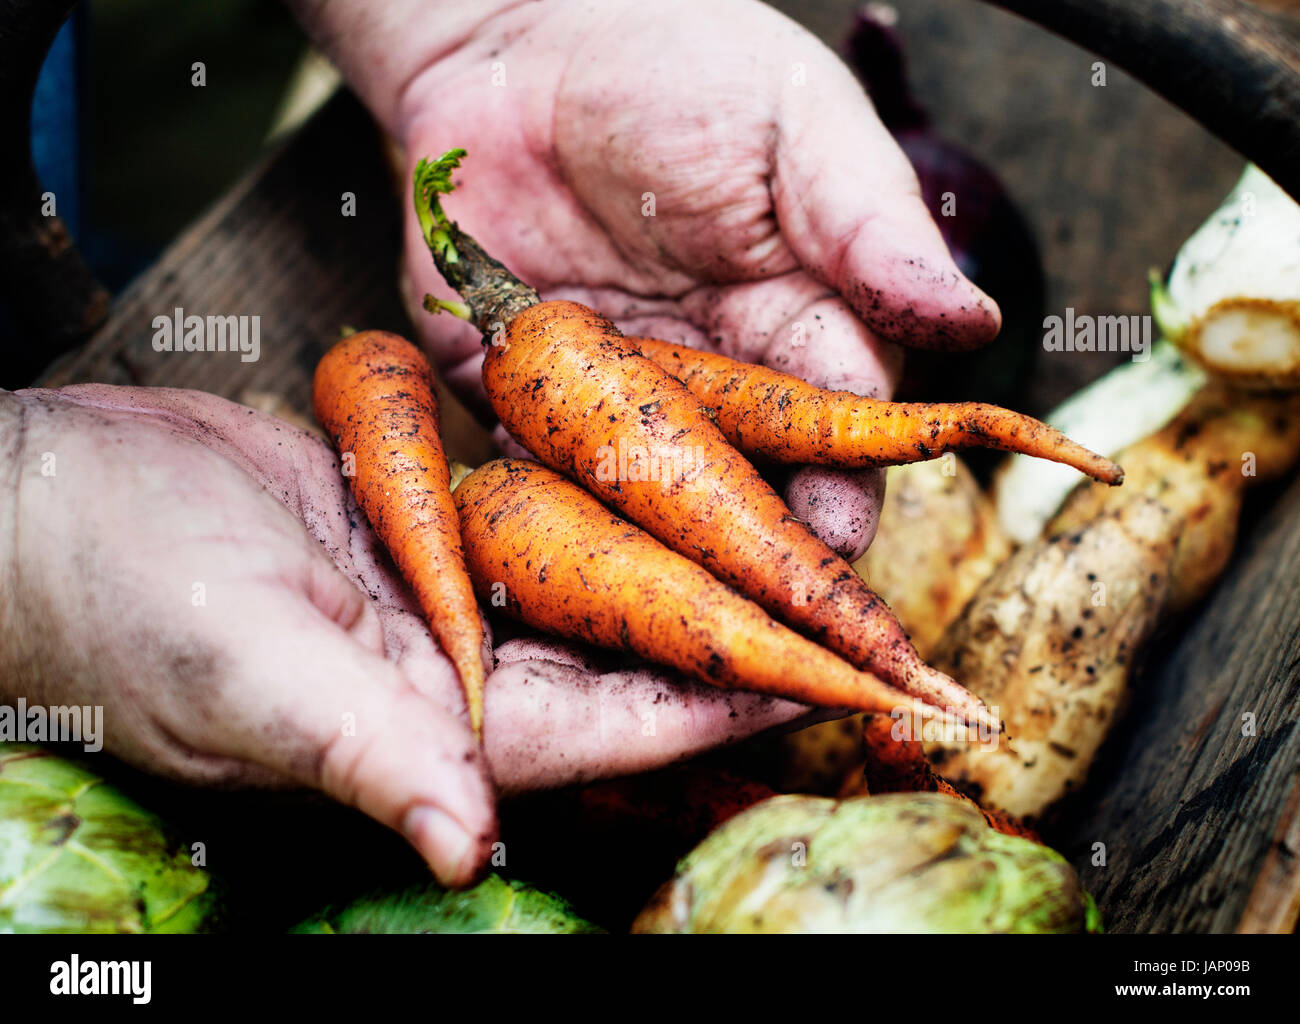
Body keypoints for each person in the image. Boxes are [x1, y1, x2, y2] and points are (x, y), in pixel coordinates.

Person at [0, 0, 998, 886]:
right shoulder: (488, 451)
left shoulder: (549, 356)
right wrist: (23, 521)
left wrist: (476, 28)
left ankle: (889, 666)